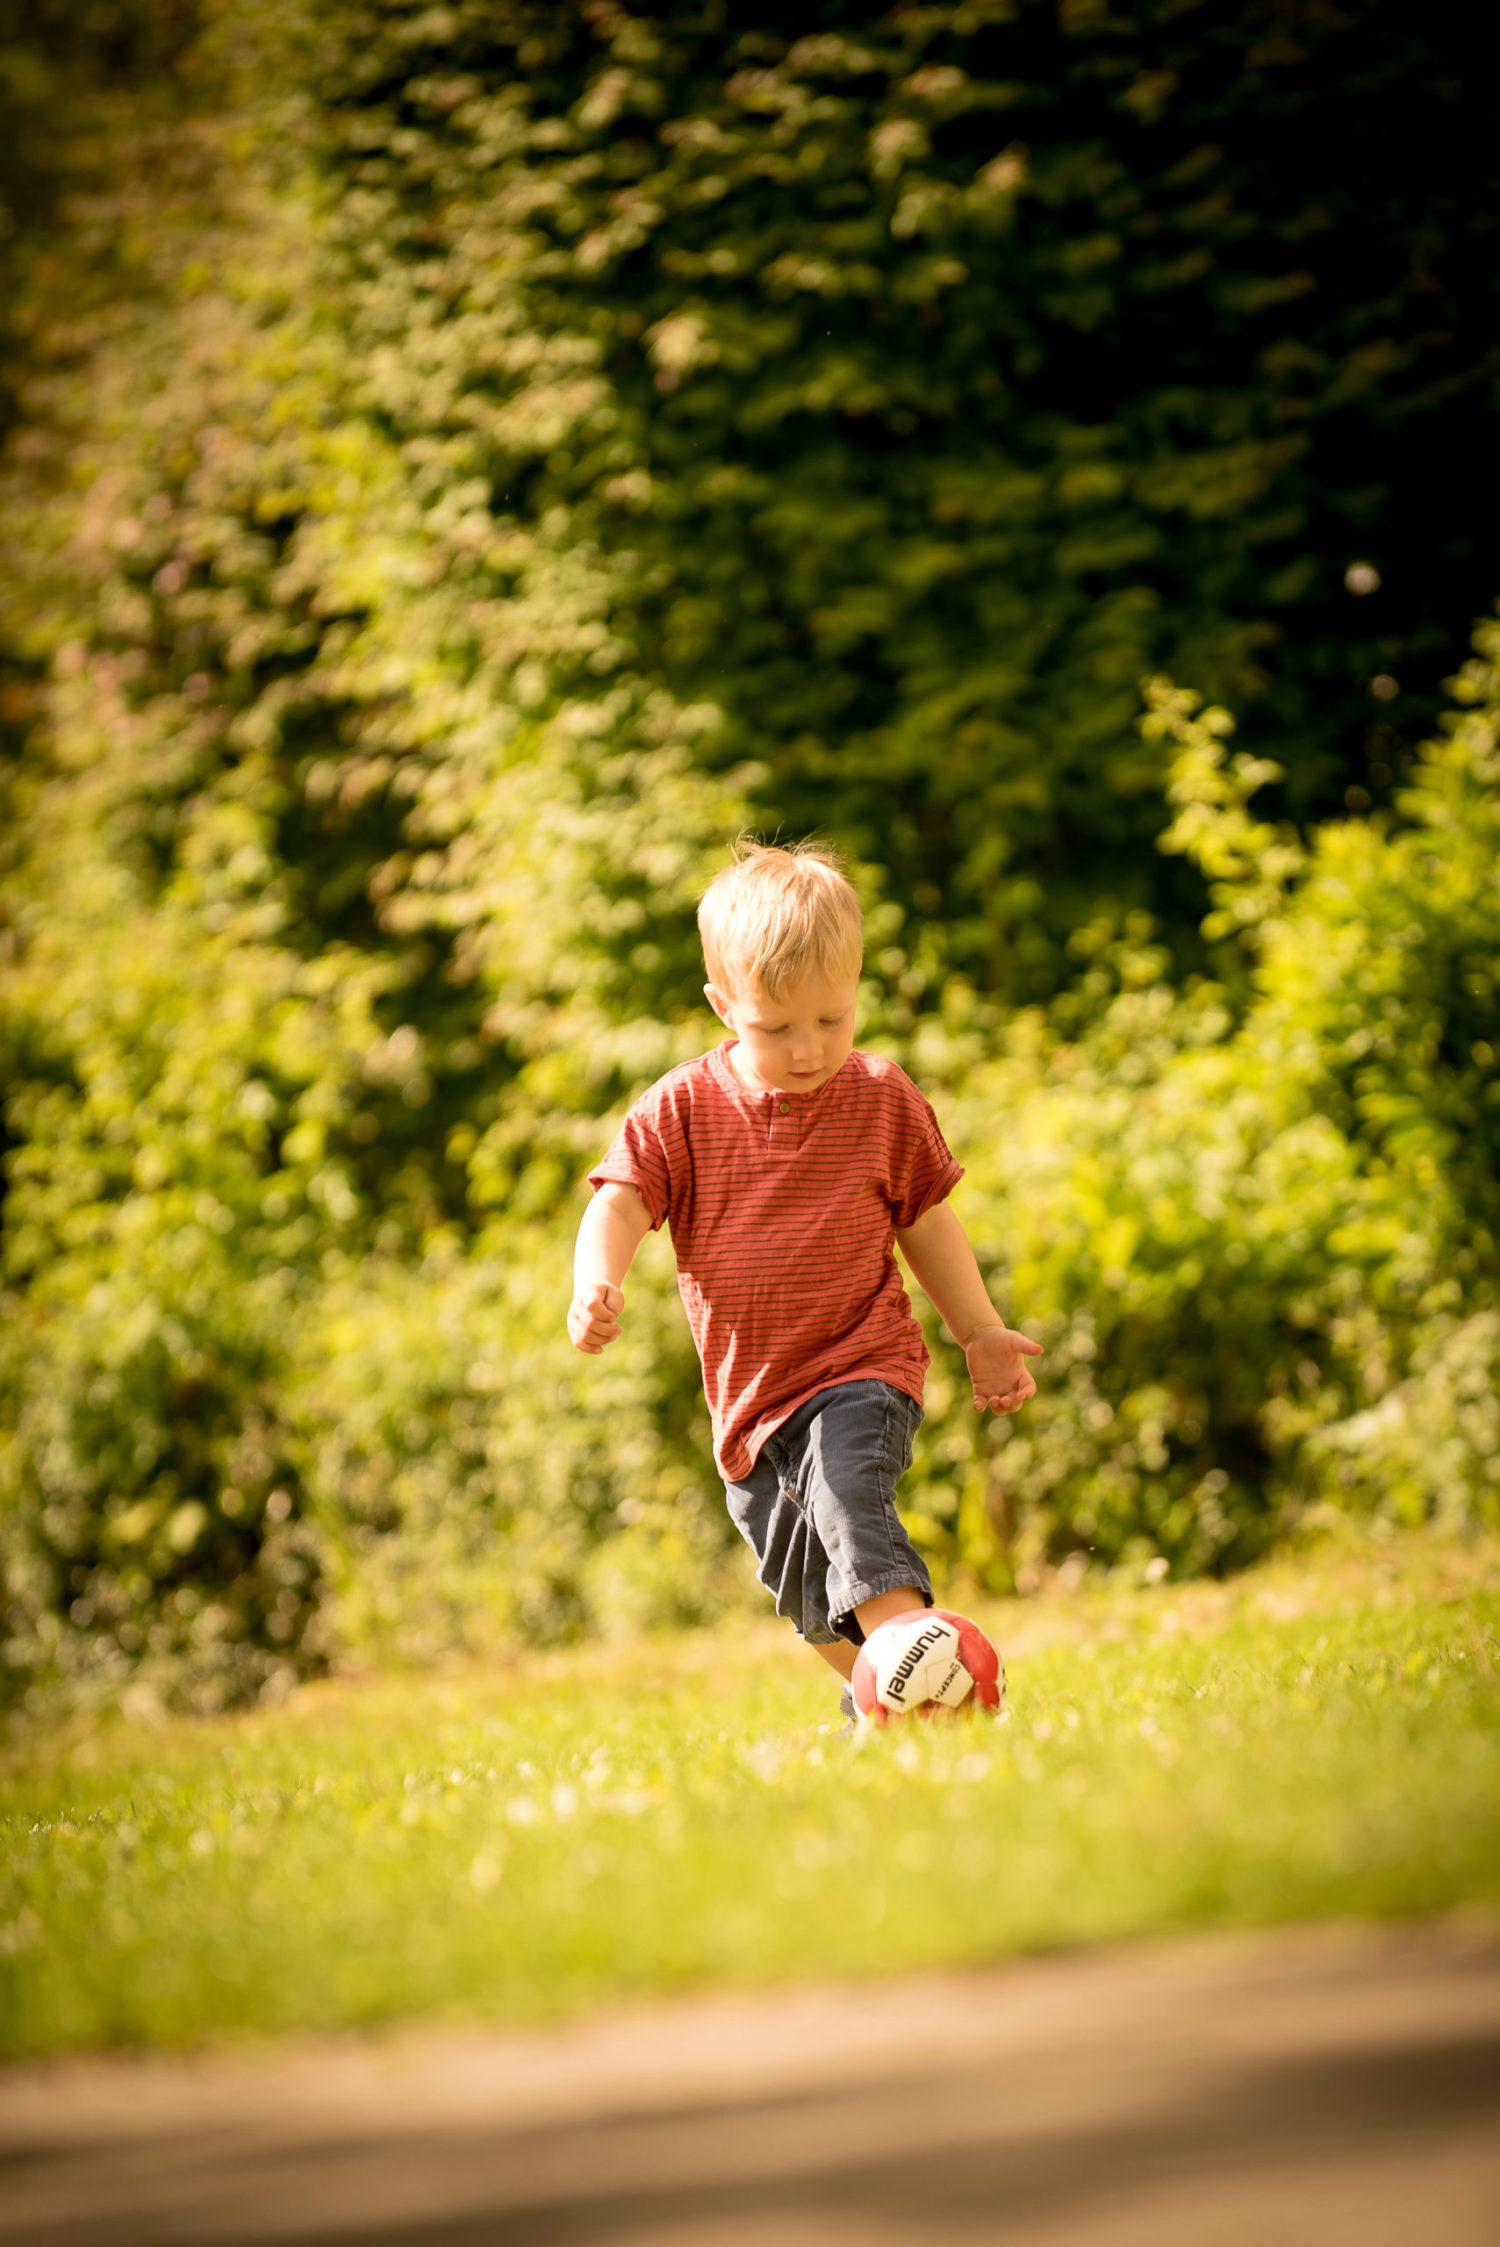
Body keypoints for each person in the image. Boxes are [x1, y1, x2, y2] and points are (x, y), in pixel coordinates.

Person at [567, 839, 1042, 1710]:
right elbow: (621, 1200)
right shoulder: (682, 1109)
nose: (809, 1047)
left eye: (833, 1018)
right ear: (723, 1006)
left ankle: (938, 1693)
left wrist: (978, 1331)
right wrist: (597, 1279)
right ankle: (884, 1692)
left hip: (861, 1364)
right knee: (807, 1589)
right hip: (751, 1406)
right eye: (776, 1027)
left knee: (848, 1489)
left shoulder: (879, 1096)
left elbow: (927, 1220)